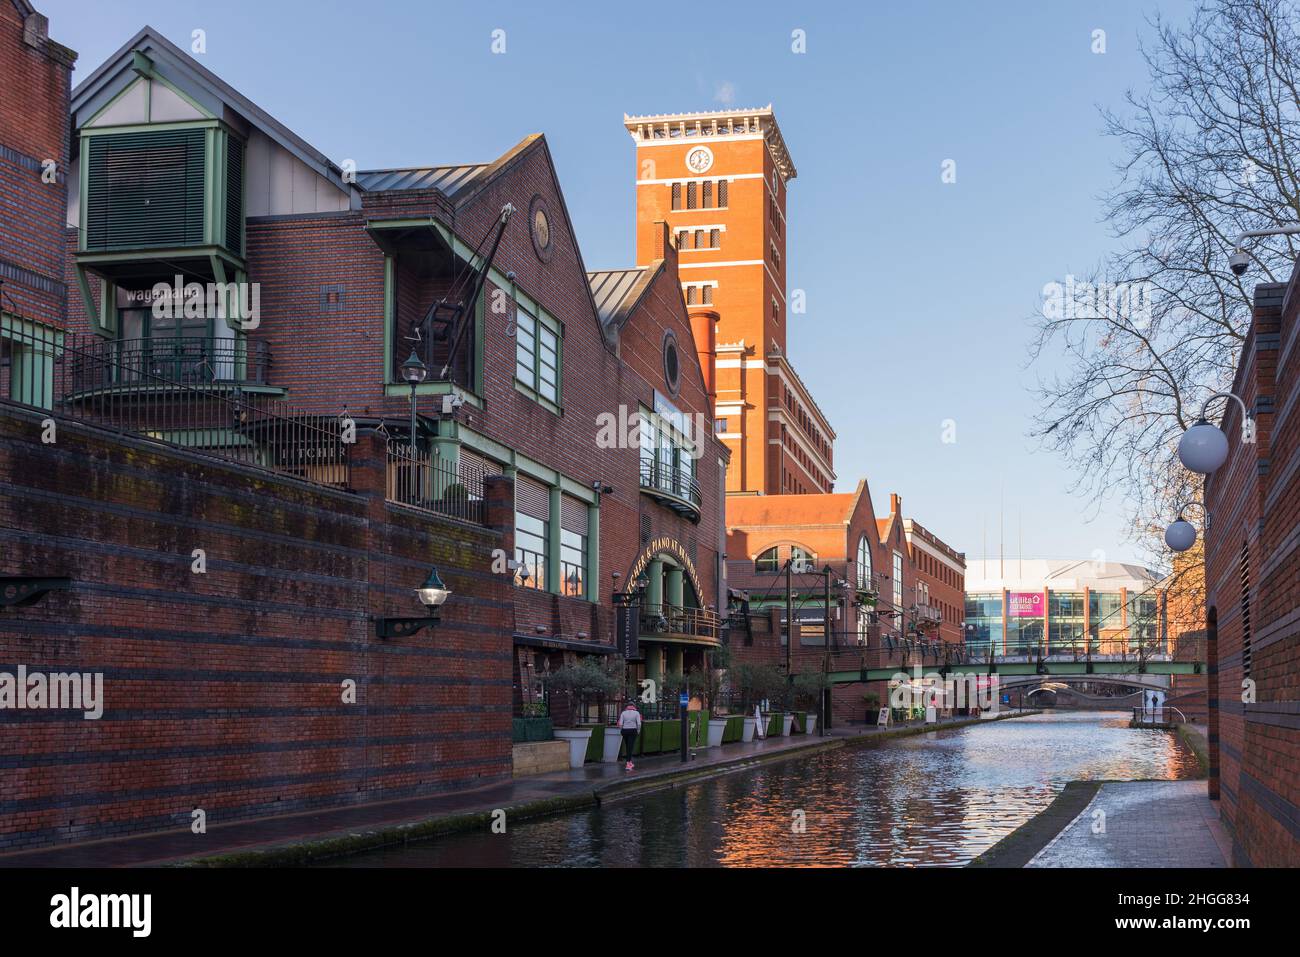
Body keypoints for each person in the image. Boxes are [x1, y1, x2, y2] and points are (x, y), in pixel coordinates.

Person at [617, 702, 643, 770]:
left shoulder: (623, 713)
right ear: (634, 706)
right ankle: (628, 763)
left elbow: (620, 723)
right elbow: (639, 724)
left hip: (625, 730)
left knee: (627, 745)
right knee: (630, 746)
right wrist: (638, 731)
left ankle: (630, 761)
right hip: (633, 730)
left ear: (627, 706)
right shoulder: (636, 713)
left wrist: (621, 730)